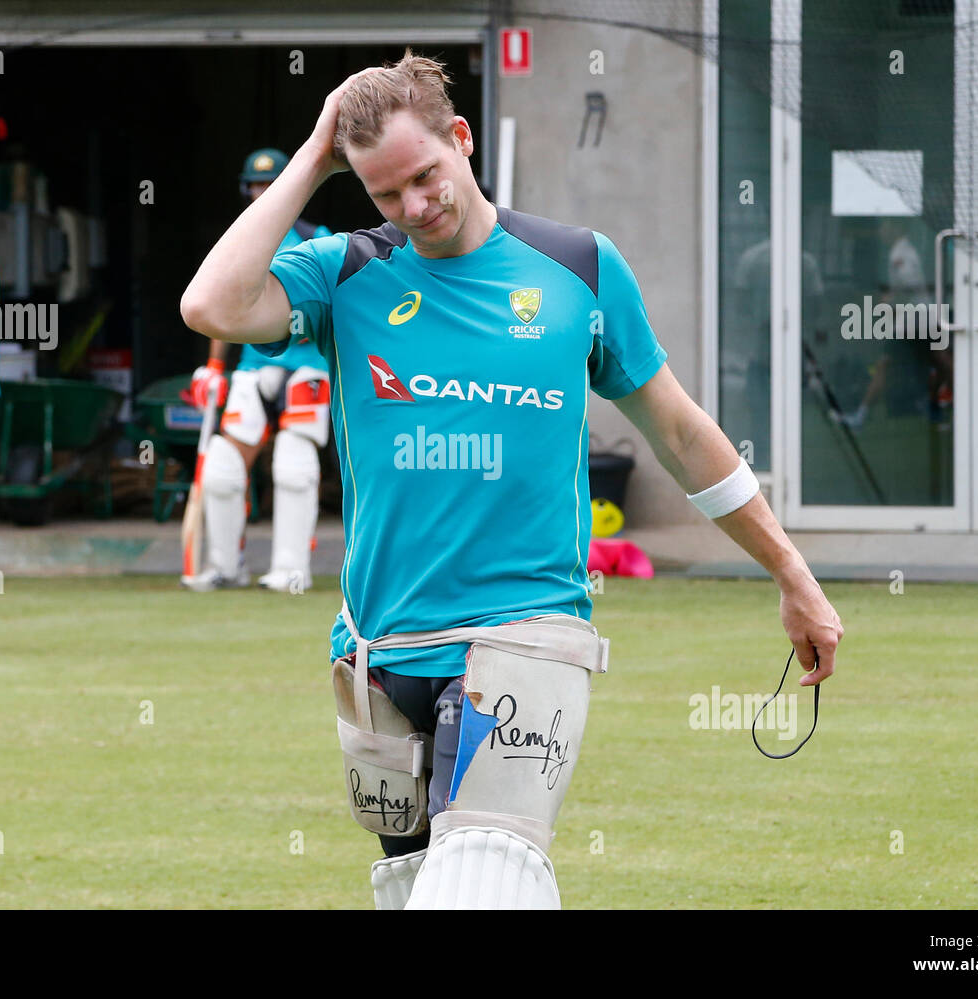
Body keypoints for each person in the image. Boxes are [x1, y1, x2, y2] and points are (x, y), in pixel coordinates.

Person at [180, 52, 844, 910]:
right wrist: (313, 154)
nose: (415, 207)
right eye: (387, 194)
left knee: (479, 886)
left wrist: (791, 572)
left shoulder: (579, 267)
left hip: (526, 641)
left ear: (462, 140)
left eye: (426, 176)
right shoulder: (346, 274)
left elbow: (682, 432)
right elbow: (212, 307)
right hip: (379, 655)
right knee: (416, 888)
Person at [183, 148, 333, 593]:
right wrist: (213, 366)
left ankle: (290, 570)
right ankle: (227, 566)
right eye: (255, 185)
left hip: (307, 367)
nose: (262, 193)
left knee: (294, 465)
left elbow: (329, 305)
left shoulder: (315, 237)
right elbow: (217, 302)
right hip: (252, 364)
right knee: (224, 468)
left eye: (271, 184)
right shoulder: (239, 240)